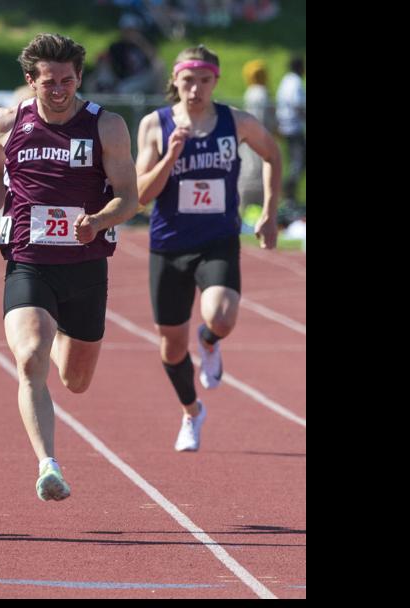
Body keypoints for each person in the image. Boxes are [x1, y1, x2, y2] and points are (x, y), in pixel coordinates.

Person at [0, 33, 137, 502]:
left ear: (79, 77)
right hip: (29, 260)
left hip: (85, 265)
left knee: (76, 381)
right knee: (29, 358)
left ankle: (61, 331)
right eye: (48, 81)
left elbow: (129, 197)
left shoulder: (107, 126)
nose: (58, 89)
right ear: (30, 80)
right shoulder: (8, 121)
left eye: (67, 80)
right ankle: (48, 465)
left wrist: (99, 220)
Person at [134, 45, 280, 451]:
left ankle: (211, 339)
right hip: (168, 245)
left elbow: (272, 154)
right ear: (175, 83)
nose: (195, 89)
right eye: (187, 81)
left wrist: (268, 212)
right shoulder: (155, 125)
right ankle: (192, 411)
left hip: (217, 239)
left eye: (203, 81)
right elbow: (140, 194)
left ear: (215, 81)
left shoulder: (236, 122)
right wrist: (171, 156)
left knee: (222, 315)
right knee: (171, 346)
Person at [236, 58, 277, 210]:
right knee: (257, 169)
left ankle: (247, 208)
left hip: (250, 136)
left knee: (250, 168)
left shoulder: (251, 92)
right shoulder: (262, 93)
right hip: (260, 136)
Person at [276, 55, 304, 205]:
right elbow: (297, 104)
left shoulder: (286, 80)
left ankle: (289, 194)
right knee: (297, 163)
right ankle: (288, 196)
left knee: (295, 162)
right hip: (294, 127)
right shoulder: (296, 82)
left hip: (285, 126)